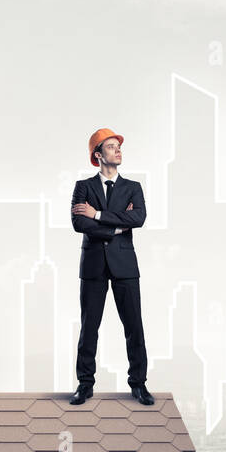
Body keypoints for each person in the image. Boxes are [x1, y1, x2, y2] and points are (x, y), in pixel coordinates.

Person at [68, 128, 154, 405]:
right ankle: (85, 384)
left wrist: (99, 215)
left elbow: (138, 217)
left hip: (125, 265)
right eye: (111, 146)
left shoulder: (133, 188)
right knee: (88, 327)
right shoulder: (83, 187)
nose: (118, 150)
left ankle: (139, 384)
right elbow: (80, 224)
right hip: (93, 265)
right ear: (97, 154)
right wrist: (117, 227)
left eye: (119, 146)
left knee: (133, 326)